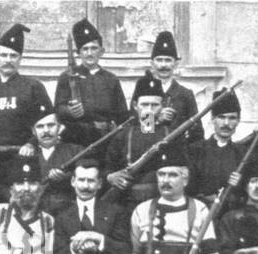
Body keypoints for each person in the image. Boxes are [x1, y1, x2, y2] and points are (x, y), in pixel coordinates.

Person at [0, 24, 51, 208]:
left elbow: (48, 123)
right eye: (3, 55)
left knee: (19, 209)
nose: (8, 60)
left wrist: (32, 143)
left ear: (20, 59)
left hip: (20, 160)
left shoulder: (33, 87)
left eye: (13, 56)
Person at [55, 19, 129, 149]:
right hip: (76, 140)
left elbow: (123, 115)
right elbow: (57, 110)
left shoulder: (111, 79)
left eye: (94, 48)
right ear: (78, 52)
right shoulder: (66, 77)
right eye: (85, 49)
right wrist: (70, 111)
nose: (89, 53)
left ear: (101, 51)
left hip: (106, 139)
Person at [106, 73, 171, 204]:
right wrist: (110, 177)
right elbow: (108, 167)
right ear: (135, 105)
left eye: (155, 105)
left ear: (163, 105)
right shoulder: (122, 135)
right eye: (144, 104)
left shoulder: (171, 134)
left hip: (162, 199)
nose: (149, 110)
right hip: (128, 200)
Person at [187, 87, 246, 215]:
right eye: (221, 117)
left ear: (238, 121)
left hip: (231, 217)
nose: (226, 123)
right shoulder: (195, 150)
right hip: (201, 215)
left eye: (232, 118)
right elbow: (188, 188)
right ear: (213, 119)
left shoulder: (242, 153)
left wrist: (240, 183)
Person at [148, 31, 203, 143]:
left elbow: (197, 133)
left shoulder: (185, 94)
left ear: (176, 64)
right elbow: (134, 130)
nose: (163, 65)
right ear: (152, 63)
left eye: (168, 60)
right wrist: (157, 120)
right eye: (159, 60)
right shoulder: (143, 93)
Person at [29, 104, 83, 215]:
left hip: (68, 214)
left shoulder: (75, 151)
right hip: (35, 215)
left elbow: (87, 180)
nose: (46, 131)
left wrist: (67, 178)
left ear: (60, 128)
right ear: (33, 131)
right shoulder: (27, 154)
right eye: (40, 127)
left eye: (51, 125)